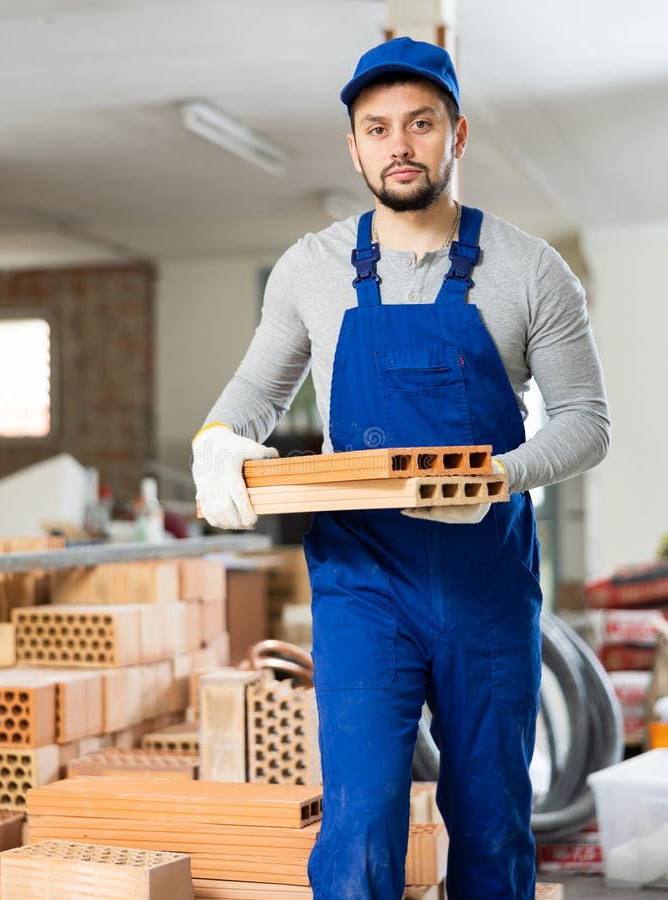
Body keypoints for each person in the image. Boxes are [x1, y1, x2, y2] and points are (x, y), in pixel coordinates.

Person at [191, 36, 610, 900]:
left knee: (491, 818)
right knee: (363, 819)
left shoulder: (533, 270)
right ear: (355, 148)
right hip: (363, 581)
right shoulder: (310, 270)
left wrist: (497, 478)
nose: (400, 145)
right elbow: (255, 396)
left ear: (458, 134)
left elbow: (586, 422)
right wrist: (219, 441)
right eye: (378, 129)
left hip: (485, 583)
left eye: (421, 123)